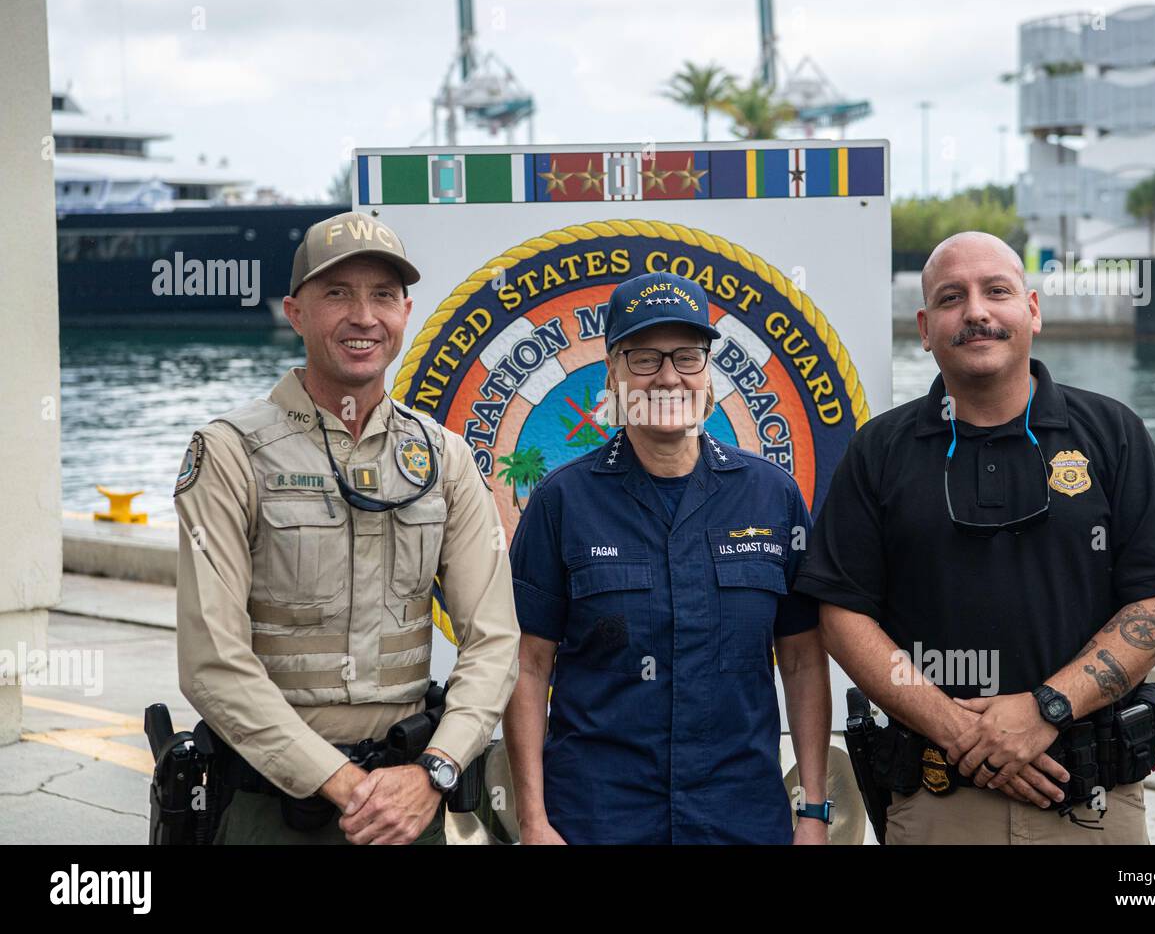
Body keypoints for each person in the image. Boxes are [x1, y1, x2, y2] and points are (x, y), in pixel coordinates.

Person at [795, 232, 1155, 844]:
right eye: (951, 298)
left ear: (1033, 309)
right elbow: (840, 616)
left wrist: (1045, 709)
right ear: (925, 326)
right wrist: (966, 734)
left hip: (1089, 802)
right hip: (939, 800)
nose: (976, 312)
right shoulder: (879, 451)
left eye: (997, 291)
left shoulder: (1112, 433)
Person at [173, 211, 519, 844]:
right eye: (338, 293)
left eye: (382, 295)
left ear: (406, 311)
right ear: (295, 312)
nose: (364, 316)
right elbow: (210, 661)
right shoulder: (229, 453)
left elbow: (495, 640)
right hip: (271, 805)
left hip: (412, 803)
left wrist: (435, 771)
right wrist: (342, 783)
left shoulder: (444, 458)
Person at [503, 271, 832, 844]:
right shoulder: (561, 502)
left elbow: (802, 660)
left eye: (687, 356)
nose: (668, 377)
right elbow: (527, 667)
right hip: (596, 818)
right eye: (644, 358)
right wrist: (534, 821)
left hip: (741, 818)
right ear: (612, 373)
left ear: (708, 374)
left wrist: (813, 811)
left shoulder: (772, 495)